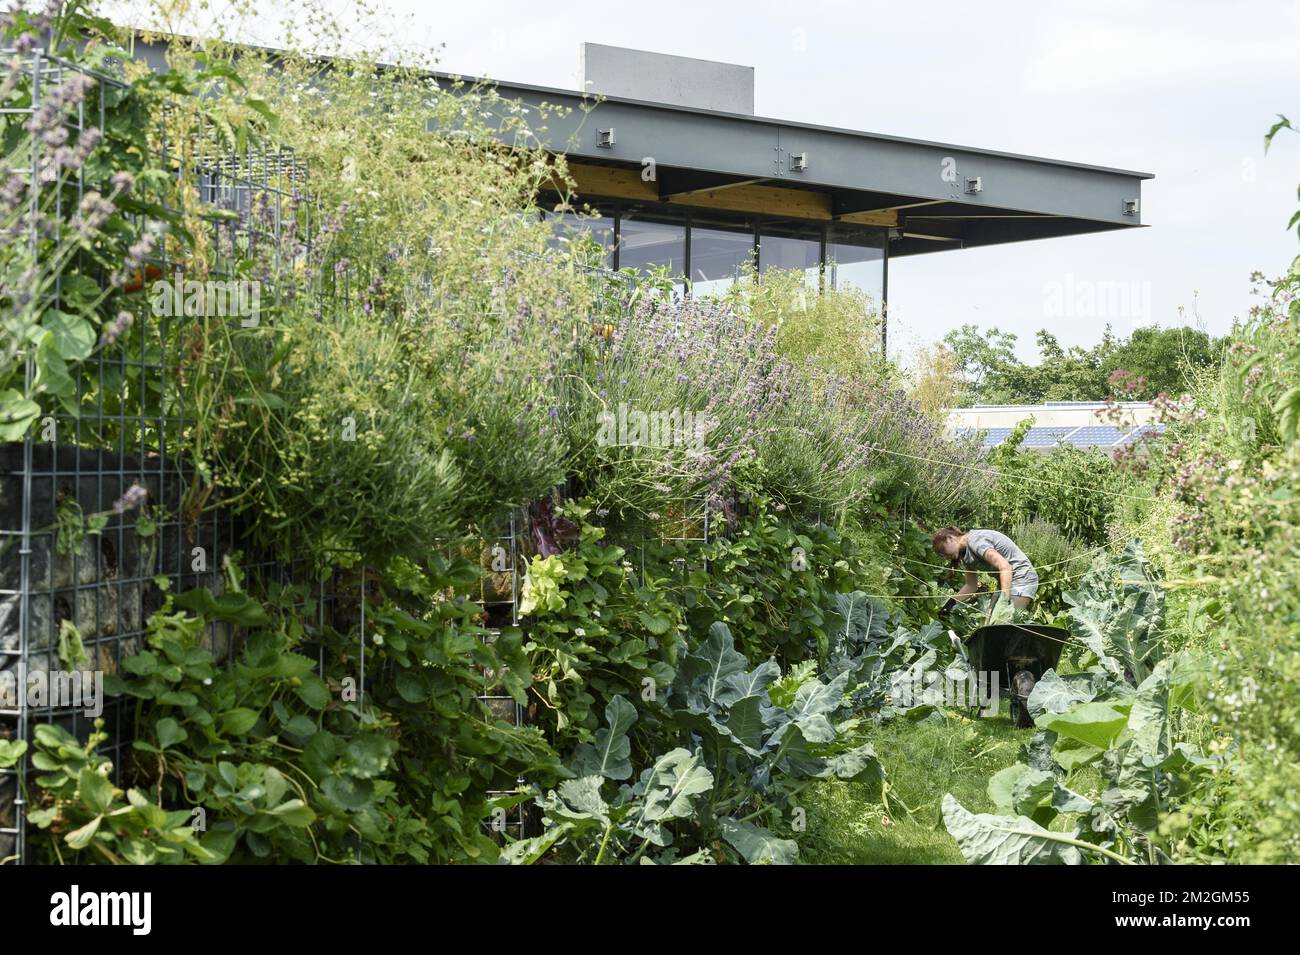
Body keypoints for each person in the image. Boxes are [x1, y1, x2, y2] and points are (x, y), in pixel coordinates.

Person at [932, 526, 1039, 612]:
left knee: (1004, 622)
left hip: (1022, 577)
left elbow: (1005, 566)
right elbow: (971, 586)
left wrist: (1003, 600)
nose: (945, 556)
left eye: (942, 550)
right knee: (989, 622)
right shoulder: (966, 554)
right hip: (1007, 581)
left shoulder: (975, 541)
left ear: (950, 538)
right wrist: (950, 604)